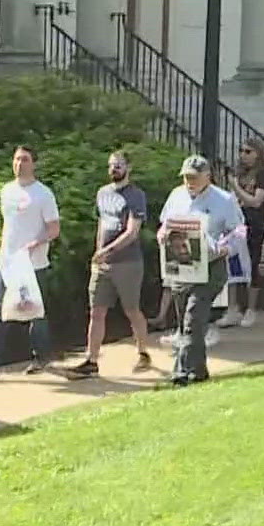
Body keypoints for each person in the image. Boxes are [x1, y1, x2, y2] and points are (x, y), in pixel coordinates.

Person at [0, 146, 60, 377]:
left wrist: (36, 243)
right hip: (7, 263)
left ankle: (42, 358)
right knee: (0, 310)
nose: (19, 164)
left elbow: (54, 229)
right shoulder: (7, 191)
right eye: (17, 159)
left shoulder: (43, 194)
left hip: (33, 264)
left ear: (33, 164)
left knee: (35, 312)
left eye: (25, 159)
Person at [156, 155, 243, 387]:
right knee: (187, 320)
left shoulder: (224, 200)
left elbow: (240, 231)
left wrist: (227, 248)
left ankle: (181, 371)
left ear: (207, 176)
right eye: (186, 177)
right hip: (181, 269)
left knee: (193, 319)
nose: (189, 181)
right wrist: (162, 235)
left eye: (194, 177)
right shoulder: (176, 196)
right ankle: (199, 370)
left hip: (211, 268)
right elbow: (164, 224)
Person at [67, 152, 153, 379]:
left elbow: (132, 232)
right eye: (111, 166)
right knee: (96, 311)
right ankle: (91, 360)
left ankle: (143, 352)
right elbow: (101, 224)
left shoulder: (136, 196)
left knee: (131, 310)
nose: (114, 169)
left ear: (129, 168)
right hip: (102, 264)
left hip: (128, 263)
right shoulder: (102, 193)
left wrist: (107, 251)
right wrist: (98, 252)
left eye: (119, 165)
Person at [221, 139, 264, 328]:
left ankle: (251, 309)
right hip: (237, 223)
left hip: (254, 222)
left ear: (258, 153)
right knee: (233, 262)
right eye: (241, 150)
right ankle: (233, 308)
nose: (243, 154)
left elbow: (256, 201)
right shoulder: (240, 173)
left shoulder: (263, 175)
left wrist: (235, 186)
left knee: (252, 263)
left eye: (248, 151)